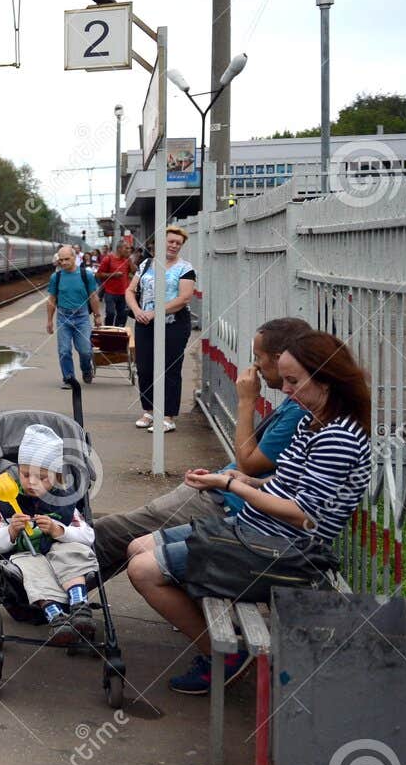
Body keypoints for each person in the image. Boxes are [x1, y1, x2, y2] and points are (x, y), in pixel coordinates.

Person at [126, 331, 372, 694]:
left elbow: (302, 515)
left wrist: (232, 488)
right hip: (254, 533)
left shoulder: (337, 436)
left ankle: (222, 657)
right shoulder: (314, 419)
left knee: (142, 570)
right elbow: (288, 484)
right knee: (137, 547)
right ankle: (208, 630)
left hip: (283, 554)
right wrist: (241, 479)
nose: (285, 390)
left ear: (326, 380)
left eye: (293, 381)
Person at [91, 317, 312, 581]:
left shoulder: (299, 410)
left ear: (279, 359)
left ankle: (54, 596)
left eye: (258, 357)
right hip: (222, 493)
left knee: (110, 532)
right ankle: (64, 596)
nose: (255, 365)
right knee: (119, 533)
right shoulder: (297, 404)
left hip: (229, 506)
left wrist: (246, 401)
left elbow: (248, 463)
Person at [0, 424, 99, 645]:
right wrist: (10, 531)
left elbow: (87, 536)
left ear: (56, 479)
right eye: (26, 475)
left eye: (42, 478)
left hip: (59, 549)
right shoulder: (7, 500)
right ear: (18, 471)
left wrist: (60, 530)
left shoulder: (64, 501)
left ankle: (79, 606)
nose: (32, 482)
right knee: (31, 567)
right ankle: (55, 616)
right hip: (27, 552)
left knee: (72, 551)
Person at [127, 225, 197, 431]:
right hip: (144, 322)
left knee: (169, 368)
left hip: (173, 324)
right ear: (160, 242)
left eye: (178, 243)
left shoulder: (186, 268)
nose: (174, 246)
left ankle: (167, 416)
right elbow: (130, 291)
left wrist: (156, 312)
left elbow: (184, 298)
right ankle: (148, 411)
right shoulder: (146, 265)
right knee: (145, 367)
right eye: (171, 241)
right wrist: (137, 310)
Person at [45, 245, 103, 387]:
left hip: (82, 317)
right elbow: (51, 299)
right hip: (63, 317)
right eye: (61, 260)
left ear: (75, 258)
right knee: (64, 350)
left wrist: (97, 315)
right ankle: (69, 378)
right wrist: (49, 321)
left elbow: (93, 296)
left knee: (85, 350)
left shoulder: (86, 275)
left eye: (67, 259)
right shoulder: (56, 277)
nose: (63, 262)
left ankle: (86, 369)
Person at [95, 240, 133, 326]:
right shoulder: (108, 259)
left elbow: (134, 271)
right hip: (110, 293)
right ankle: (108, 331)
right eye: (126, 248)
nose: (129, 250)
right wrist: (113, 275)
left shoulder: (127, 260)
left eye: (129, 248)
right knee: (110, 313)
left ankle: (118, 333)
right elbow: (98, 275)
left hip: (124, 293)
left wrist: (130, 261)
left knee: (123, 315)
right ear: (119, 249)